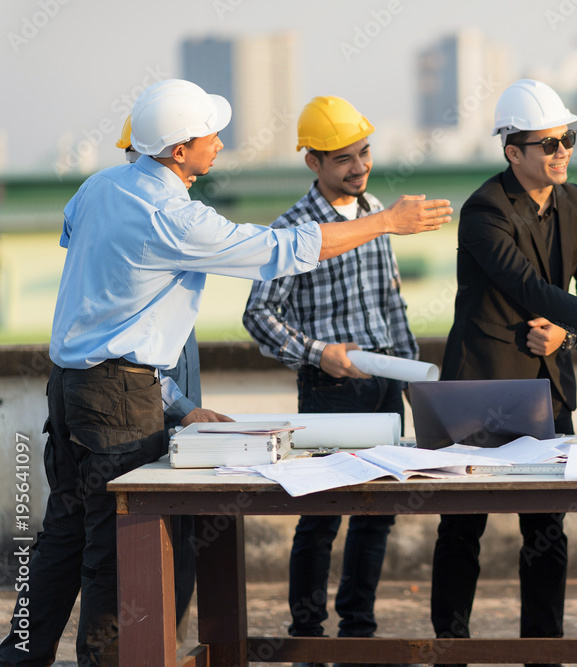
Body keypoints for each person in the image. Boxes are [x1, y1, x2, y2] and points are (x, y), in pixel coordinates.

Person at [0, 78, 451, 667]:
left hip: (73, 387)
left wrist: (179, 405)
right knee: (115, 549)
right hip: (119, 399)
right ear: (179, 150)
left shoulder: (99, 186)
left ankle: (19, 654)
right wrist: (385, 222)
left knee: (61, 534)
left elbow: (100, 285)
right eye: (209, 133)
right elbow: (279, 250)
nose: (220, 140)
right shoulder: (176, 218)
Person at [431, 79, 577, 667]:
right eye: (549, 143)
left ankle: (544, 654)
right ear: (513, 151)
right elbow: (528, 287)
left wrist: (572, 331)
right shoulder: (484, 209)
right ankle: (449, 654)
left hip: (546, 386)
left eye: (568, 139)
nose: (562, 152)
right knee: (462, 530)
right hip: (475, 385)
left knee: (545, 531)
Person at [242, 96, 416, 667]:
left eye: (363, 152)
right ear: (313, 162)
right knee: (321, 516)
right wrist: (319, 354)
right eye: (343, 158)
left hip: (386, 386)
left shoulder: (377, 210)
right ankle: (308, 636)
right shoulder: (292, 230)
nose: (358, 166)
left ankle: (358, 633)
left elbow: (392, 302)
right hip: (329, 391)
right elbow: (258, 315)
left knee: (376, 515)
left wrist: (412, 377)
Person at [117, 115, 213, 648]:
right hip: (142, 417)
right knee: (133, 555)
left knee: (182, 544)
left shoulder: (133, 212)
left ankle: (167, 649)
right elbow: (128, 354)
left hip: (170, 417)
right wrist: (183, 408)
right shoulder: (152, 220)